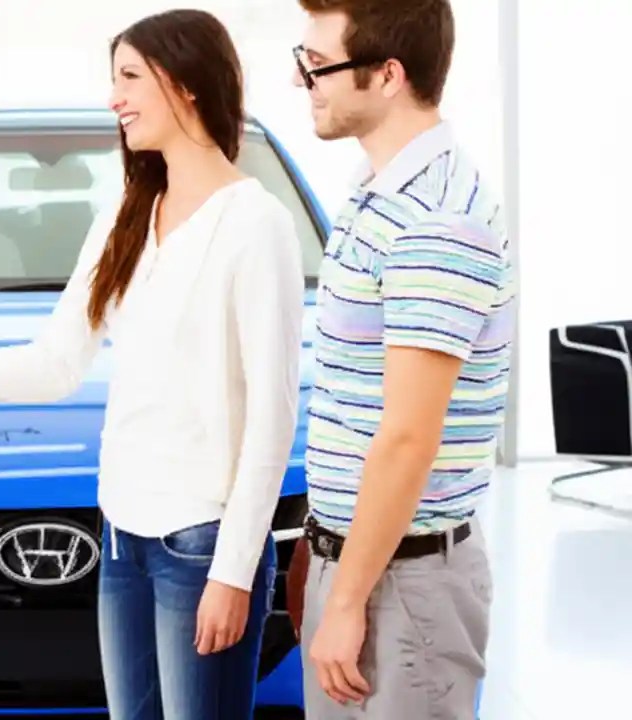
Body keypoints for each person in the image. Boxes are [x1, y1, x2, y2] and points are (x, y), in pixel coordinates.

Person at [0, 9, 305, 718]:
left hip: (203, 543)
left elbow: (272, 419)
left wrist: (234, 571)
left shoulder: (256, 225)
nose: (114, 98)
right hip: (122, 537)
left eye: (129, 77)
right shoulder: (127, 214)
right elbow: (55, 364)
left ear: (186, 83)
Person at [290, 1, 516, 717]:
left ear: (387, 75)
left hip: (402, 585)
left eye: (317, 65)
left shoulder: (437, 218)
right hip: (360, 561)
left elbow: (409, 435)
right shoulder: (378, 193)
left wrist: (346, 598)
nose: (303, 82)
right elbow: (351, 403)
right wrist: (319, 545)